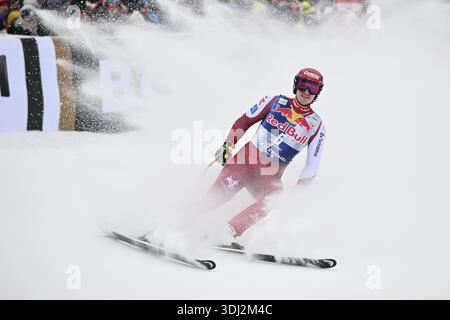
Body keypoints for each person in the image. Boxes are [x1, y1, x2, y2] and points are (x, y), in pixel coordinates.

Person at [203, 67, 327, 246]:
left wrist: (297, 193)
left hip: (268, 176)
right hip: (242, 164)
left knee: (275, 199)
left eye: (313, 88)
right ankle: (166, 226)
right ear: (295, 85)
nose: (306, 92)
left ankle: (226, 234)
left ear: (318, 92)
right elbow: (244, 121)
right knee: (211, 202)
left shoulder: (317, 126)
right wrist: (228, 144)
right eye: (303, 85)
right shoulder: (275, 101)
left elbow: (312, 166)